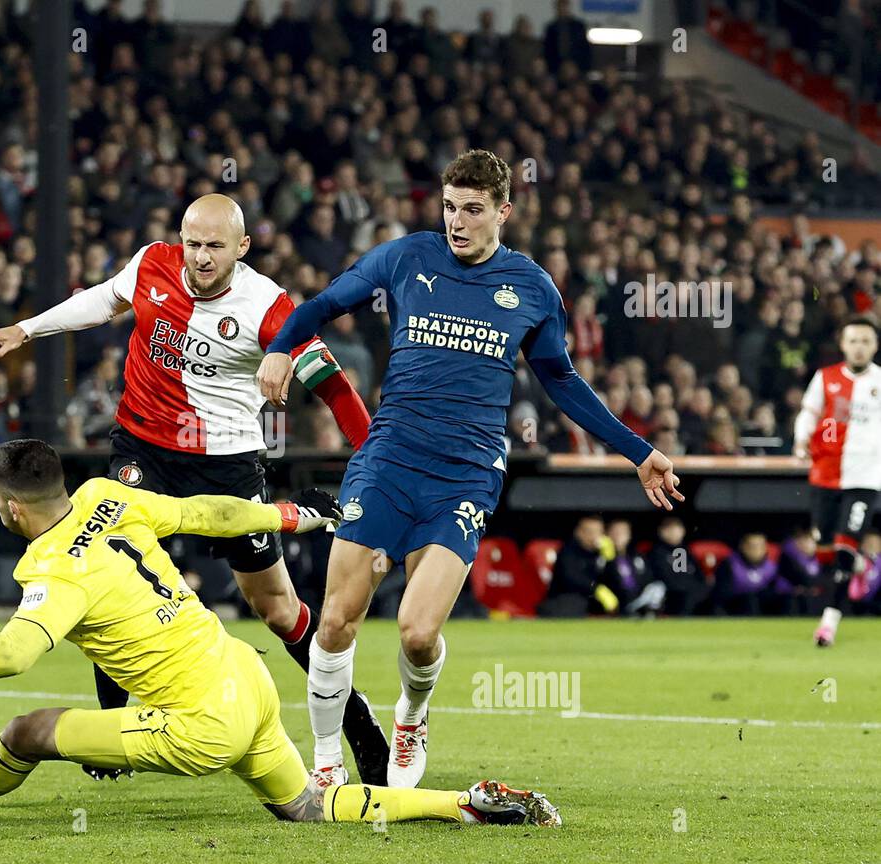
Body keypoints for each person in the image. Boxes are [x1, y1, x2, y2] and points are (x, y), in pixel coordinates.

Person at [0, 440, 559, 828]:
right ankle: (465, 802)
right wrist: (294, 516)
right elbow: (209, 512)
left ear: (12, 509)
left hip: (200, 722)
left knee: (28, 731)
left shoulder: (50, 570)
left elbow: (11, 653)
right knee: (309, 807)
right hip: (245, 676)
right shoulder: (108, 496)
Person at [257, 149, 682, 788]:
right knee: (338, 617)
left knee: (417, 633)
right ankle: (323, 767)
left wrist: (639, 451)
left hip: (465, 472)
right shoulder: (406, 258)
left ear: (503, 211)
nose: (457, 222)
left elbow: (562, 382)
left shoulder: (533, 288)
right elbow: (321, 304)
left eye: (473, 210)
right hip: (389, 458)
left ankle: (412, 716)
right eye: (450, 207)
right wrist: (282, 348)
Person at [0, 195, 389, 784]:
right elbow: (102, 300)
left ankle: (357, 723)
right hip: (143, 451)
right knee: (105, 574)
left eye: (215, 246)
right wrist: (25, 329)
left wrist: (372, 463)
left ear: (242, 248)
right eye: (192, 243)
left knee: (275, 608)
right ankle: (112, 727)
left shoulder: (269, 307)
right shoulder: (152, 264)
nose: (199, 257)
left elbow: (336, 390)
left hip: (226, 466)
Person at [793, 319, 880, 645]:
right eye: (854, 340)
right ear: (843, 344)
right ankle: (859, 564)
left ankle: (828, 623)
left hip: (865, 477)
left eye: (866, 340)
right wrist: (801, 439)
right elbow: (809, 413)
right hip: (825, 474)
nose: (859, 346)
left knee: (844, 547)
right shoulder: (826, 378)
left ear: (874, 346)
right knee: (825, 549)